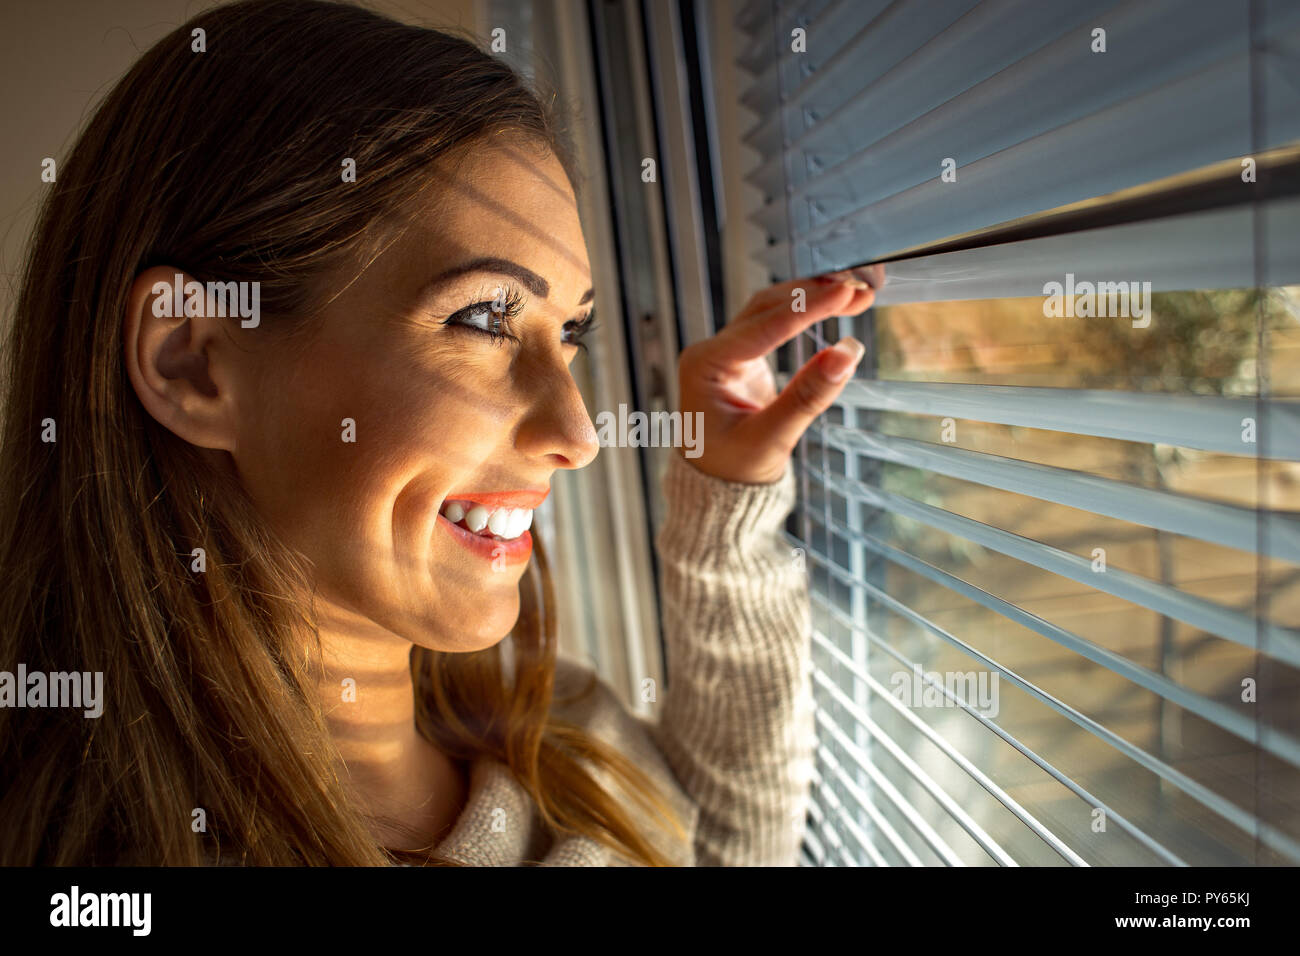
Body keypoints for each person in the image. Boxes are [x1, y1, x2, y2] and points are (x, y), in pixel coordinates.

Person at [0, 0, 872, 866]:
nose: (577, 431)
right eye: (486, 318)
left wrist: (725, 509)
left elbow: (712, 847)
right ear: (193, 361)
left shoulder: (547, 724)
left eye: (570, 333)